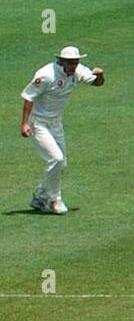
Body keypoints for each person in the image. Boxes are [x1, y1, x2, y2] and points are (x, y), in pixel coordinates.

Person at [20, 46, 104, 215]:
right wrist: (24, 124)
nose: (74, 66)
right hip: (39, 122)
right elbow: (28, 97)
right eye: (70, 63)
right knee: (56, 158)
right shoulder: (46, 75)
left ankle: (40, 196)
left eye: (76, 62)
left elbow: (96, 82)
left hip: (56, 123)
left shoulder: (77, 70)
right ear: (61, 62)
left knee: (61, 164)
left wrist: (100, 75)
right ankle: (54, 200)